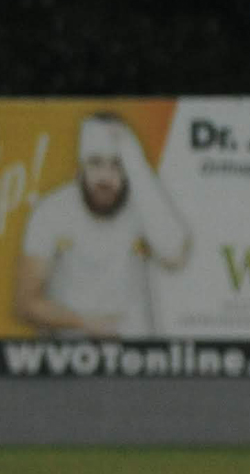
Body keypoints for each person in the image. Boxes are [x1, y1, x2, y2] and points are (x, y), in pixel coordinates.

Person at [13, 111, 191, 338]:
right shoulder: (51, 210)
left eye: (116, 165)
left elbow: (175, 256)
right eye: (96, 163)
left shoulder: (143, 205)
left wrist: (135, 160)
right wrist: (85, 323)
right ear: (80, 168)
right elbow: (26, 303)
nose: (106, 178)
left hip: (137, 354)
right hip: (71, 354)